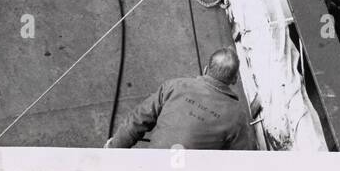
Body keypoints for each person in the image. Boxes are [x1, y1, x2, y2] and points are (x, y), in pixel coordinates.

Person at [106, 47, 256, 150]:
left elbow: (136, 121)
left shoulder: (174, 86)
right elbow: (241, 160)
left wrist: (112, 150)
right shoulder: (238, 116)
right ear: (235, 79)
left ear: (205, 69)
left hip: (151, 169)